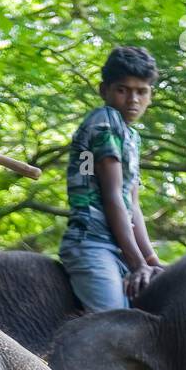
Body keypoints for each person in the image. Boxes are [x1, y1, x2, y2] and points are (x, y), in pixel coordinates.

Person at [59, 44, 165, 312]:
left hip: (118, 247)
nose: (133, 100)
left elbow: (133, 205)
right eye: (123, 90)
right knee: (113, 324)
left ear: (150, 95)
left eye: (141, 92)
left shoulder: (132, 136)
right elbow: (113, 195)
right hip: (92, 245)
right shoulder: (104, 122)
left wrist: (150, 259)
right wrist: (137, 262)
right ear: (104, 90)